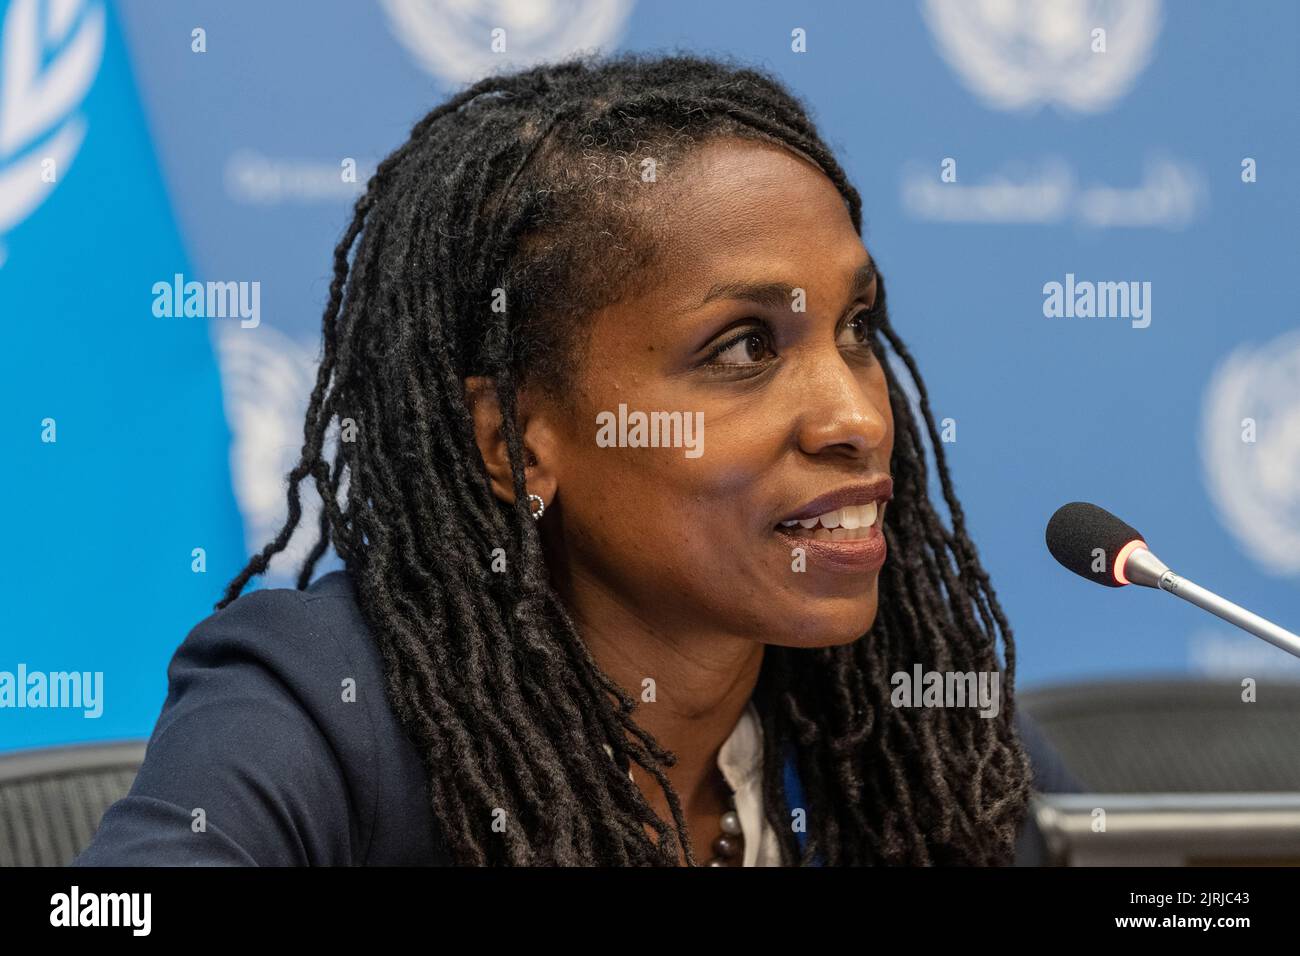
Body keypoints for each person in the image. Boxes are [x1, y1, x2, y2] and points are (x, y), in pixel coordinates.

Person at [77, 52, 1081, 868]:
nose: (857, 413)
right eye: (743, 347)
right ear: (510, 445)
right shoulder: (321, 707)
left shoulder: (916, 722)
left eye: (856, 328)